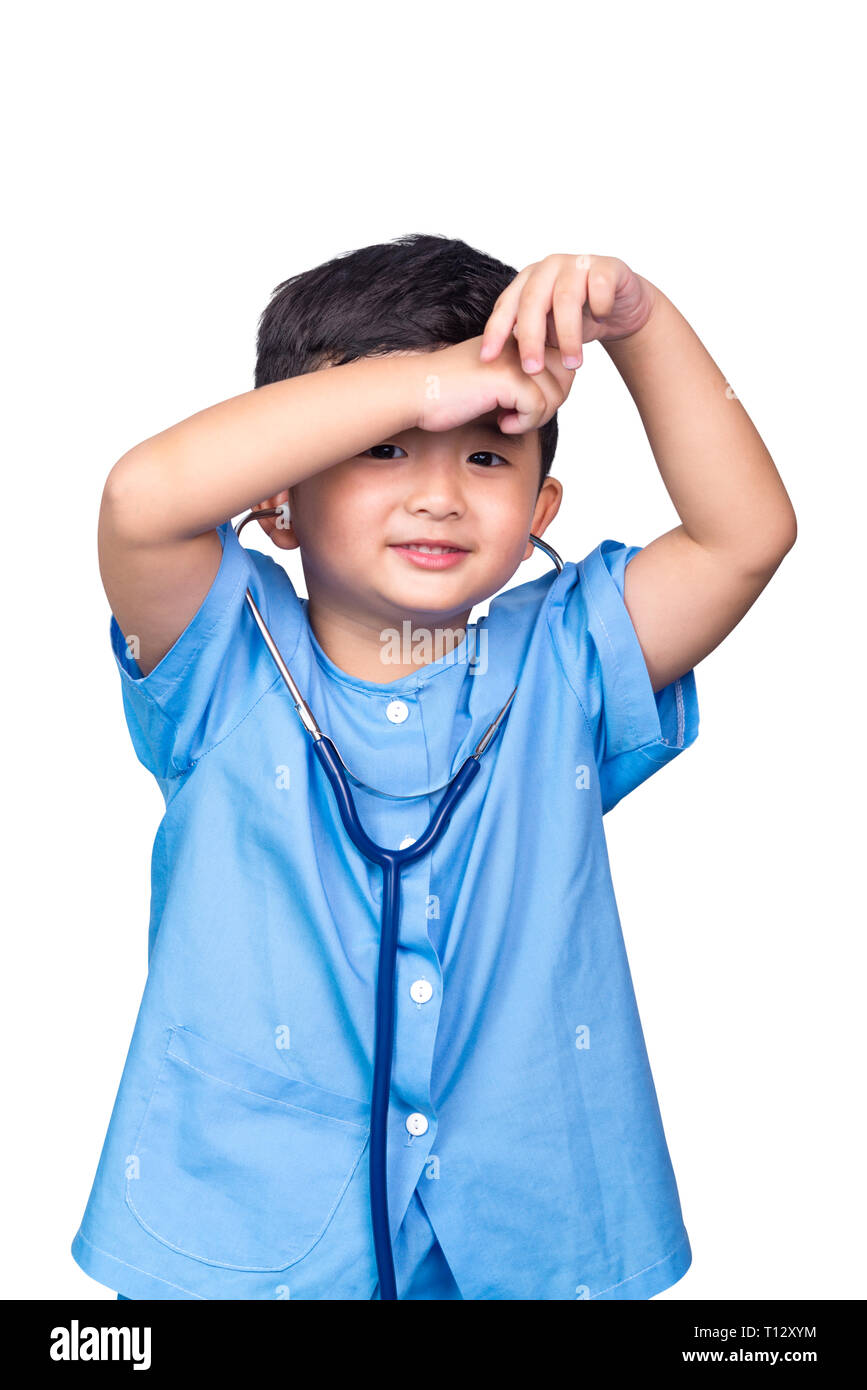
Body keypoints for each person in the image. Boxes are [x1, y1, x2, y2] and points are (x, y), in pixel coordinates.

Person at [72, 234, 796, 1301]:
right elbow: (143, 496)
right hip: (246, 1234)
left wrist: (637, 321)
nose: (442, 496)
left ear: (541, 512)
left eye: (489, 453)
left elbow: (747, 535)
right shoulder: (216, 651)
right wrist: (438, 377)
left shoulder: (570, 658)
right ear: (275, 500)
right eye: (386, 447)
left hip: (530, 1233)